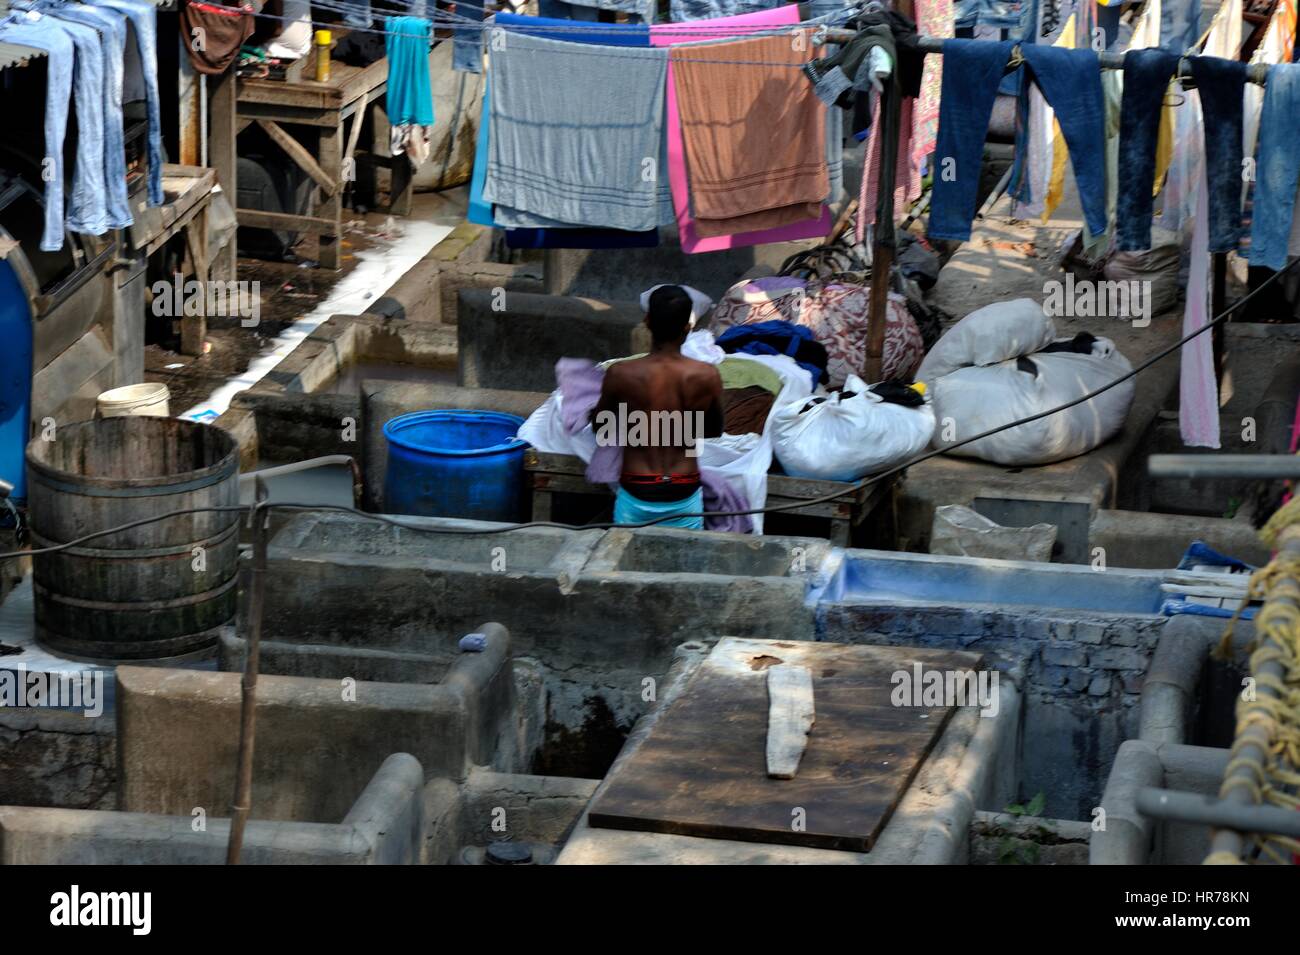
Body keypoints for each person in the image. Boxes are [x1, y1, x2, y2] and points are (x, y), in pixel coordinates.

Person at [591, 285, 723, 529]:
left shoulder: (620, 374)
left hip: (637, 487)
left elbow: (602, 431)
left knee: (625, 563)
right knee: (683, 563)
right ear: (688, 327)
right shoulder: (707, 375)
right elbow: (713, 430)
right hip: (684, 487)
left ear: (647, 320)